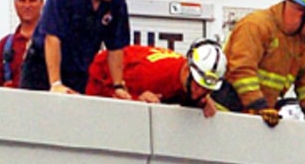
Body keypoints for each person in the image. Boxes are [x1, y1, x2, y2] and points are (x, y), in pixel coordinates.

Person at [211, 0, 305, 133]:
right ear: (301, 12)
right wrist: (258, 106)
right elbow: (241, 71)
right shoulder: (256, 26)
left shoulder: (300, 42)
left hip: (256, 115)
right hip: (226, 113)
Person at [19, 0, 132, 97]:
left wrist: (118, 86)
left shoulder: (116, 4)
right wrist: (56, 84)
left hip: (77, 71)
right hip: (42, 67)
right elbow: (52, 38)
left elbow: (116, 48)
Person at [86, 39, 226, 118]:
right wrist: (136, 100)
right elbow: (106, 88)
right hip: (97, 75)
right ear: (187, 70)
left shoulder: (186, 80)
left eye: (206, 90)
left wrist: (202, 102)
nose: (199, 93)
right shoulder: (151, 75)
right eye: (197, 86)